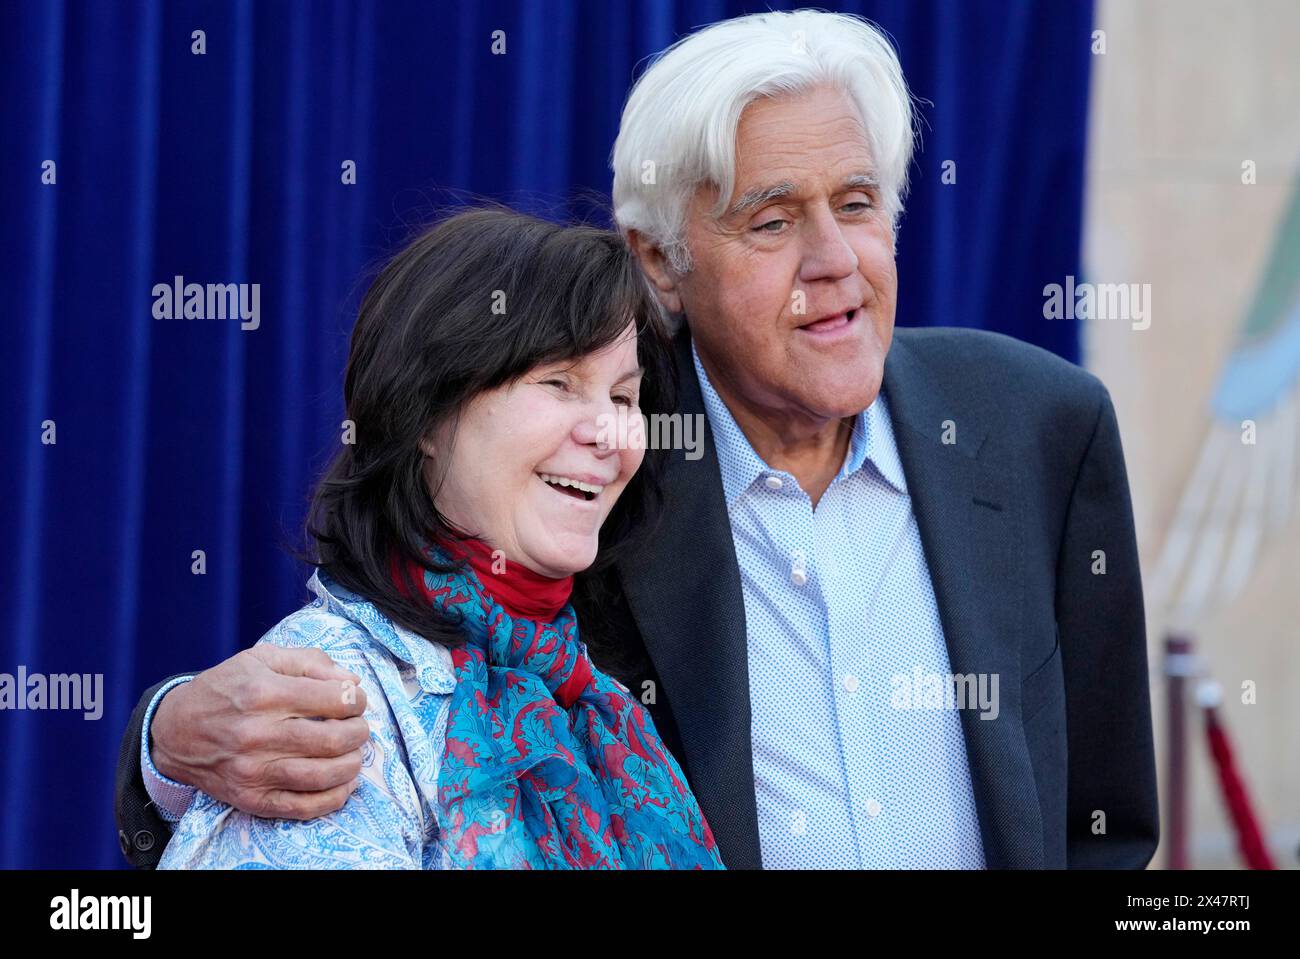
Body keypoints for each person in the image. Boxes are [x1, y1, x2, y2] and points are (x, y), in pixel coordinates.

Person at [118, 10, 1157, 870]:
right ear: (658, 263)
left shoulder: (1035, 425)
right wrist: (168, 737)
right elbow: (395, 637)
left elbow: (1103, 821)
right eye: (771, 220)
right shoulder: (598, 466)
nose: (835, 258)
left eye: (857, 203)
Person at [151, 207, 722, 869]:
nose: (609, 432)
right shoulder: (329, 684)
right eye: (560, 383)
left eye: (624, 397)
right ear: (426, 415)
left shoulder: (608, 698)